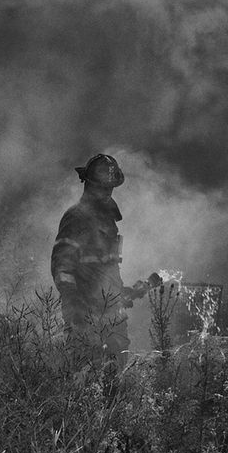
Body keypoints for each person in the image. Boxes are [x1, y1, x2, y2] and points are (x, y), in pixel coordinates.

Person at [51, 154, 149, 370]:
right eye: (103, 187)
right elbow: (62, 268)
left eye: (111, 188)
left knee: (116, 385)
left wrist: (119, 292)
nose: (107, 193)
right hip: (85, 319)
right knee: (86, 381)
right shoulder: (76, 218)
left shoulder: (108, 222)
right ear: (89, 185)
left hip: (112, 320)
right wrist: (77, 306)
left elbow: (106, 269)